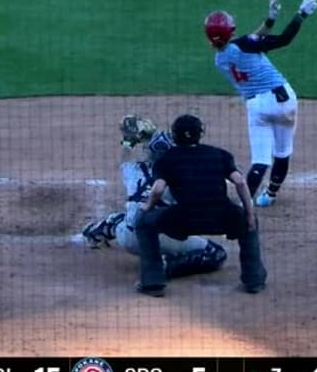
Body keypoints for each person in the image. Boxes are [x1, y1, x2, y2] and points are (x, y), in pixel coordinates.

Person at [80, 115, 229, 279]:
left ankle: (99, 230)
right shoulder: (180, 176)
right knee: (216, 253)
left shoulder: (133, 170)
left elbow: (125, 158)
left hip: (127, 238)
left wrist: (129, 141)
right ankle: (169, 265)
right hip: (156, 238)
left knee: (128, 217)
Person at [205, 0, 317, 208]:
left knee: (260, 160)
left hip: (257, 107)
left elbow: (251, 41)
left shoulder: (220, 59)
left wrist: (270, 20)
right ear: (231, 31)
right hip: (284, 101)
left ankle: (241, 206)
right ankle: (270, 195)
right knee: (282, 152)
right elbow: (283, 40)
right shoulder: (245, 44)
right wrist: (302, 13)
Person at [135, 114, 266, 296]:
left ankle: (152, 282)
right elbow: (240, 183)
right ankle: (254, 280)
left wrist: (146, 208)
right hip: (222, 217)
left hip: (184, 220)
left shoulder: (166, 159)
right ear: (200, 133)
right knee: (249, 223)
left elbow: (157, 190)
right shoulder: (220, 154)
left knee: (143, 222)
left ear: (174, 136)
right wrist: (250, 215)